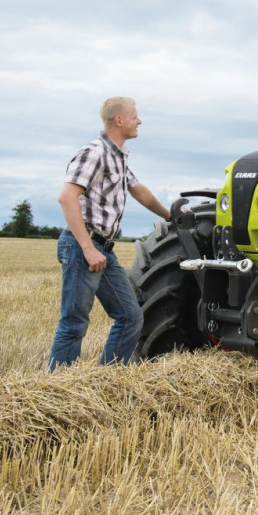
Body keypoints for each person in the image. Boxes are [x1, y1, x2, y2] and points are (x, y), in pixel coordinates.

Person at [48, 96, 171, 370]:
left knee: (131, 316)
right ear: (119, 120)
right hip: (84, 246)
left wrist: (170, 216)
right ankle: (57, 388)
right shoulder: (95, 152)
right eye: (135, 116)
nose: (139, 121)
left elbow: (139, 191)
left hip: (104, 248)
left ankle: (108, 380)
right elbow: (67, 197)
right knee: (74, 323)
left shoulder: (119, 157)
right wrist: (88, 249)